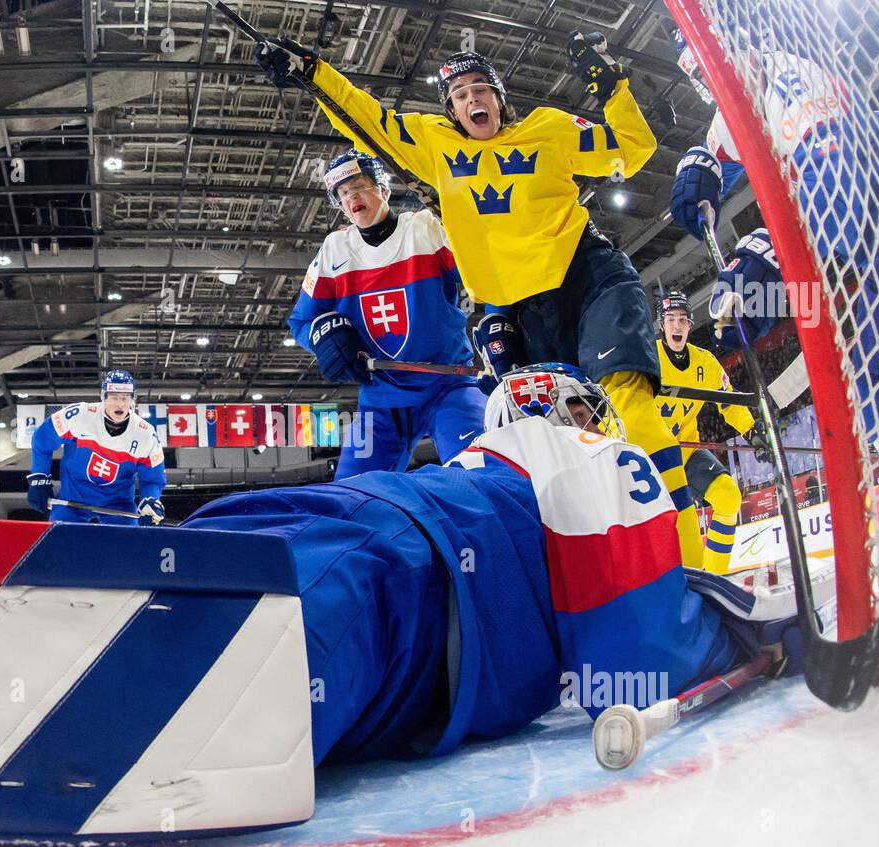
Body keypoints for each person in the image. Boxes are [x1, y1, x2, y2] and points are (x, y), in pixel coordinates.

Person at [185, 363, 801, 765]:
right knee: (209, 729)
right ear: (575, 414)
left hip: (318, 521)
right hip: (403, 581)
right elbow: (634, 655)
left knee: (181, 595)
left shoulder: (468, 466)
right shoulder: (589, 451)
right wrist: (745, 637)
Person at [254, 32, 706, 567]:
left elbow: (633, 150)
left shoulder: (548, 128)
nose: (473, 100)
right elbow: (365, 117)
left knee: (623, 398)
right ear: (450, 111)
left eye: (480, 89)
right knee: (545, 437)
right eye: (460, 94)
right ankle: (575, 564)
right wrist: (312, 70)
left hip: (584, 273)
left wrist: (614, 89)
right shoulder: (432, 145)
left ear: (499, 98)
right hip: (513, 310)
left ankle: (687, 558)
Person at [668, 28, 879, 473]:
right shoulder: (736, 100)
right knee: (871, 383)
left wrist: (768, 252)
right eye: (702, 77)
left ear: (737, 51)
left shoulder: (792, 80)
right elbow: (720, 156)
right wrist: (698, 169)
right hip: (869, 249)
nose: (713, 84)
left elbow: (837, 194)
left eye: (713, 68)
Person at [289, 148, 486, 478]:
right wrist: (323, 334)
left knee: (481, 473)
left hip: (450, 384)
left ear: (382, 189)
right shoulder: (335, 249)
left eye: (359, 186)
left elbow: (485, 279)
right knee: (349, 494)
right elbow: (301, 322)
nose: (352, 197)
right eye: (343, 193)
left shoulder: (426, 228)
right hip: (379, 398)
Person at [655, 290, 767, 574]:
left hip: (688, 452)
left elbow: (729, 403)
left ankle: (716, 575)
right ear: (661, 325)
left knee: (728, 496)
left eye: (682, 319)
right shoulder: (647, 358)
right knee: (678, 527)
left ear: (690, 325)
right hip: (651, 458)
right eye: (670, 320)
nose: (676, 326)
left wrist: (752, 431)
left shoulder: (705, 362)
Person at [27, 369, 167, 526]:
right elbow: (42, 438)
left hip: (119, 507)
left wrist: (150, 501)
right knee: (58, 545)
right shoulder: (78, 415)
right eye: (114, 397)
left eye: (125, 398)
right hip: (70, 501)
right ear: (103, 397)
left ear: (132, 399)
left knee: (127, 548)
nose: (120, 404)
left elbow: (153, 478)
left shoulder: (146, 434)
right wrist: (38, 477)